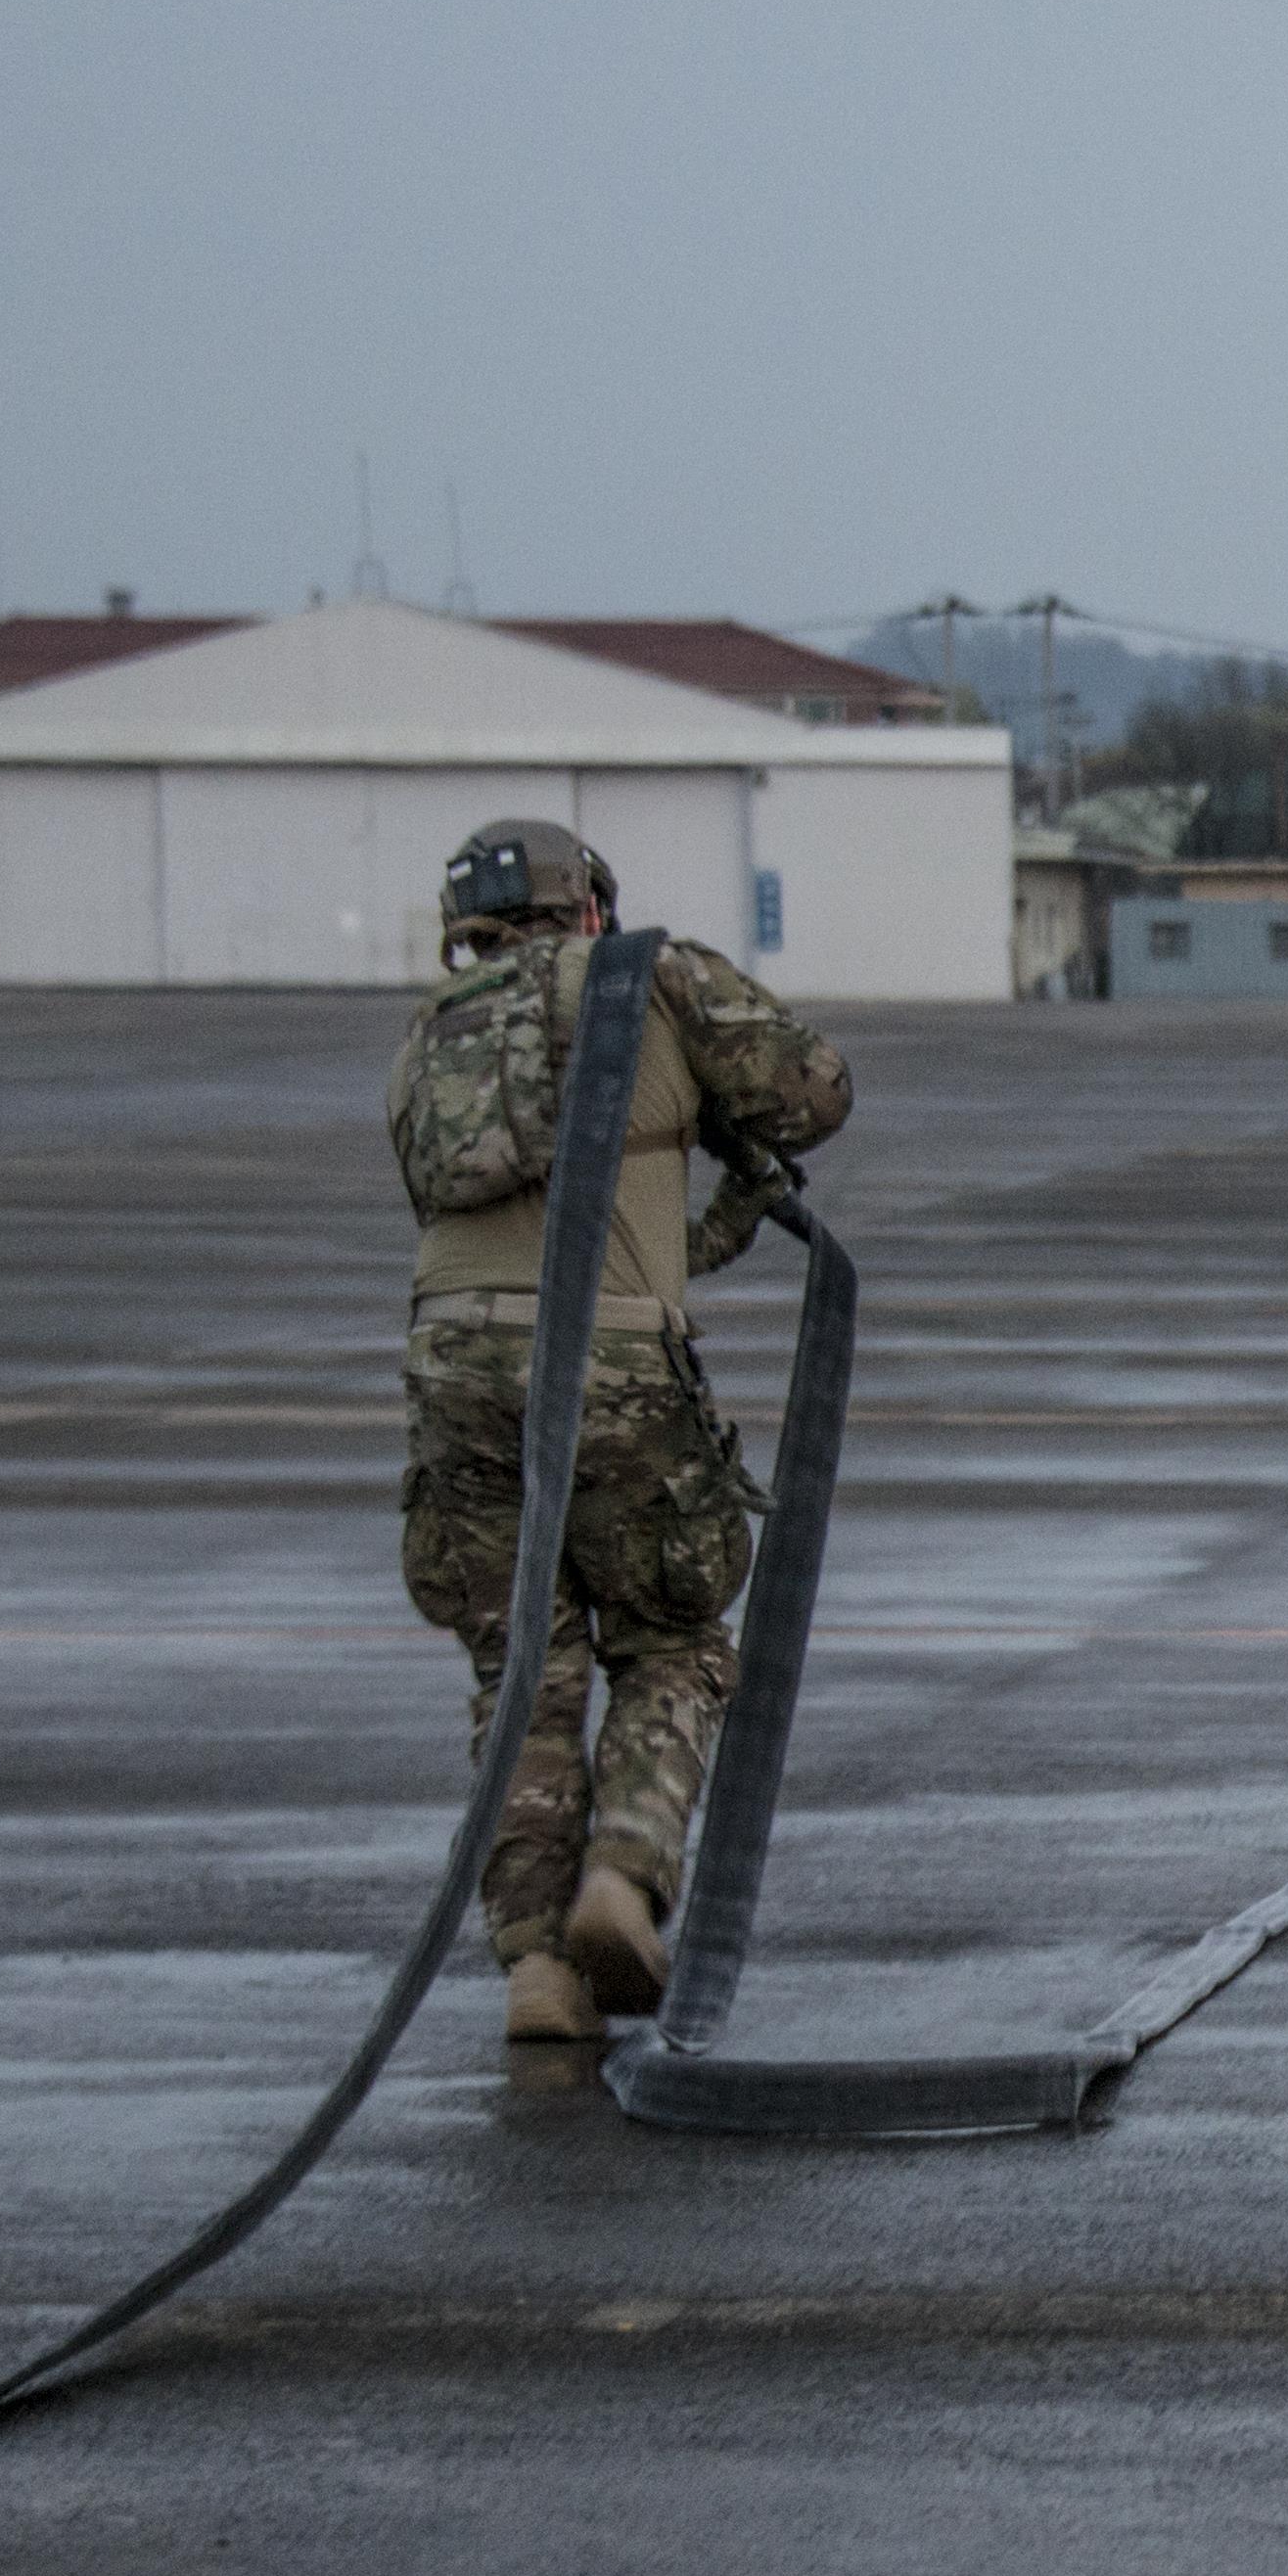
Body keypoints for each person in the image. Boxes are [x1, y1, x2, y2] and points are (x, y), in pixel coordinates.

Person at [388, 820, 852, 2045]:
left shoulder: (431, 1037)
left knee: (523, 1674)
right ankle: (624, 1873)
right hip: (615, 1368)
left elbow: (519, 1230)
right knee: (677, 1640)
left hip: (455, 1371)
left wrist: (708, 1232)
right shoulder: (653, 976)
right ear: (588, 906)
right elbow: (814, 1093)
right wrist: (714, 1118)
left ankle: (535, 1964)